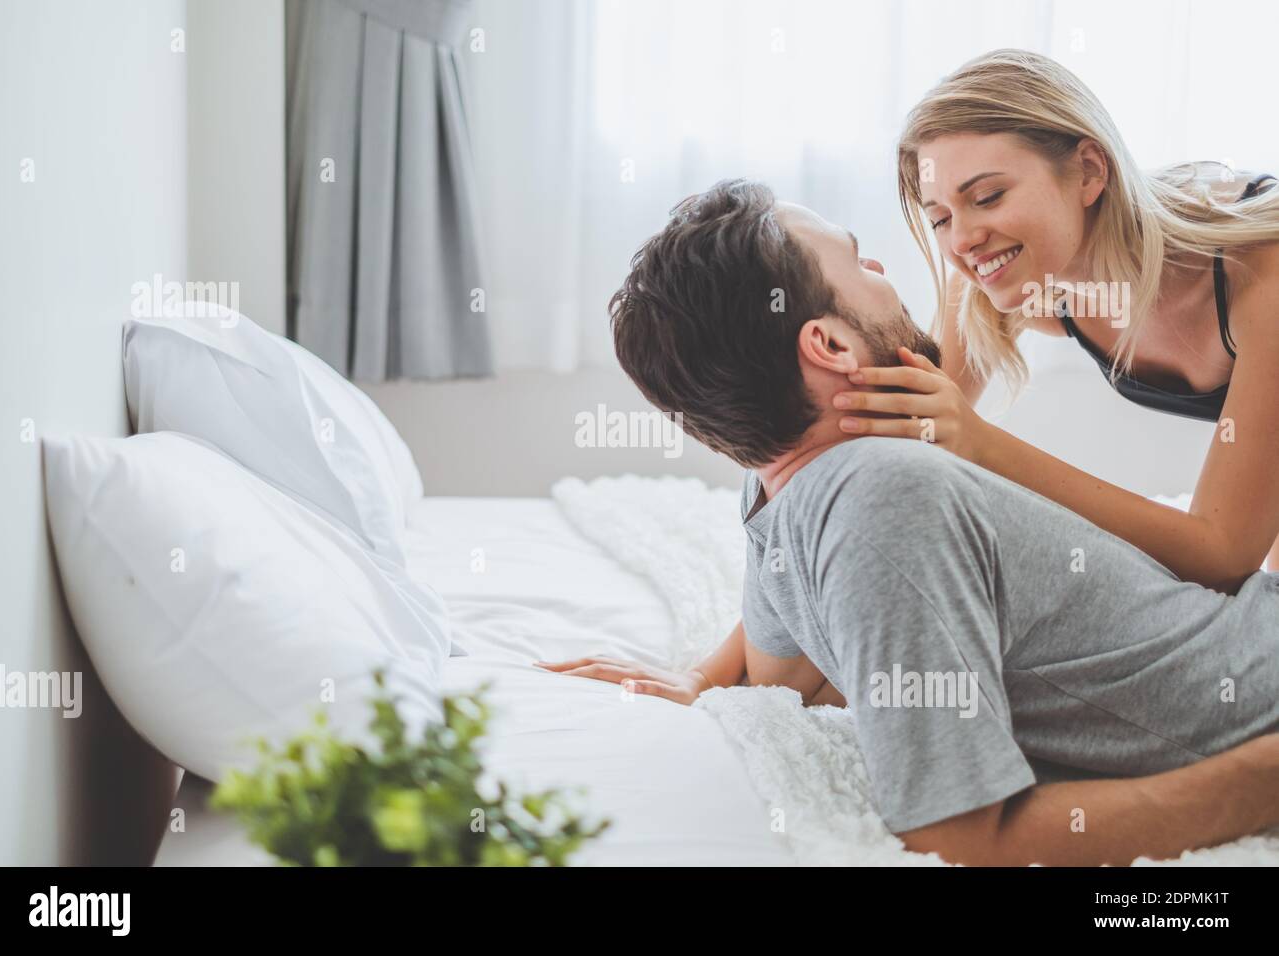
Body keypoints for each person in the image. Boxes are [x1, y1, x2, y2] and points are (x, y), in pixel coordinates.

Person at [536, 179, 1279, 866]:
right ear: (826, 343)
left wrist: (706, 677)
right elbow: (954, 832)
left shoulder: (792, 482)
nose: (890, 265)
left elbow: (781, 673)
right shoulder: (869, 491)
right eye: (860, 262)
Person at [835, 49, 1279, 596]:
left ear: (1090, 171)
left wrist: (981, 444)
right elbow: (891, 452)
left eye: (988, 196)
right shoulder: (997, 274)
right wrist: (718, 665)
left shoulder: (1261, 272)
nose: (962, 240)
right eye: (941, 218)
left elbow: (1222, 554)